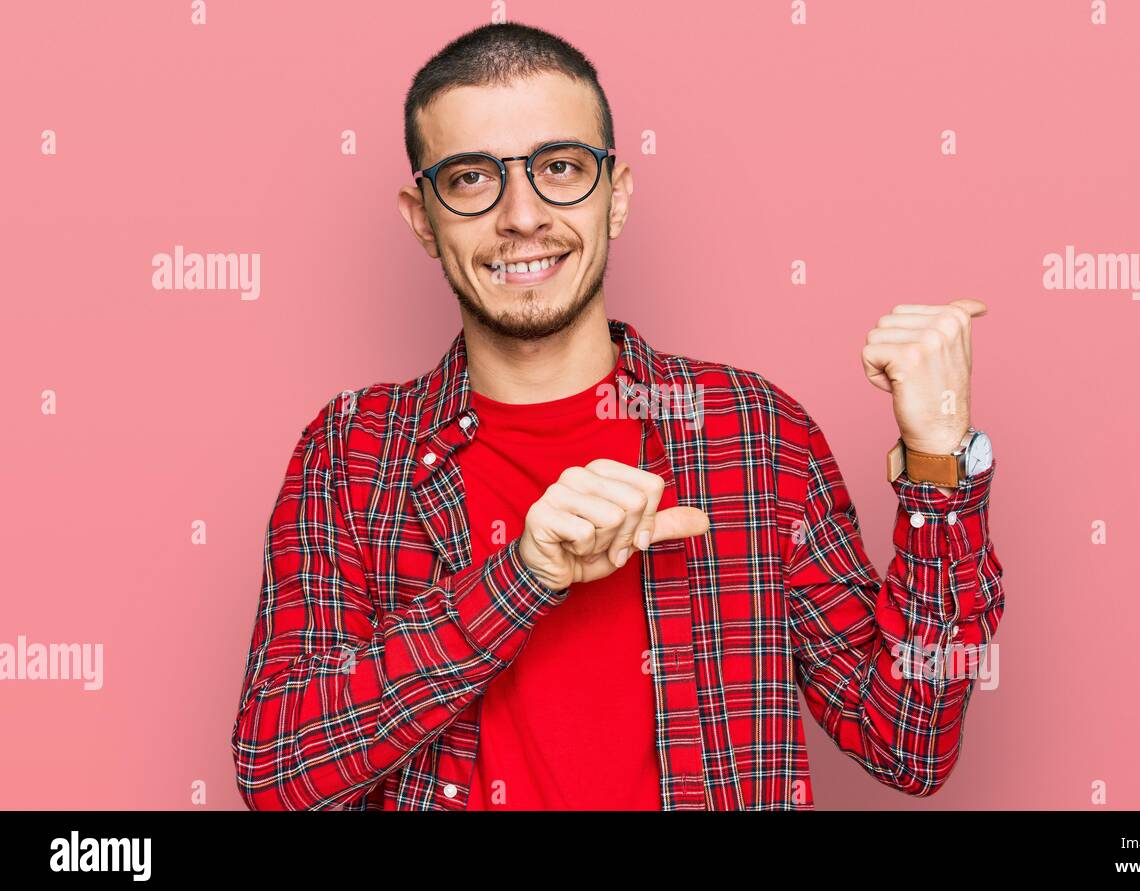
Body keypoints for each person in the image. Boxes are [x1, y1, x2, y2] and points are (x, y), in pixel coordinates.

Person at [231, 21, 1004, 811]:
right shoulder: (353, 452)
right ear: (423, 218)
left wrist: (938, 458)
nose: (522, 216)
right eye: (470, 178)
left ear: (618, 195)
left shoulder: (753, 431)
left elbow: (907, 743)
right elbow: (277, 769)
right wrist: (520, 579)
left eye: (560, 167)